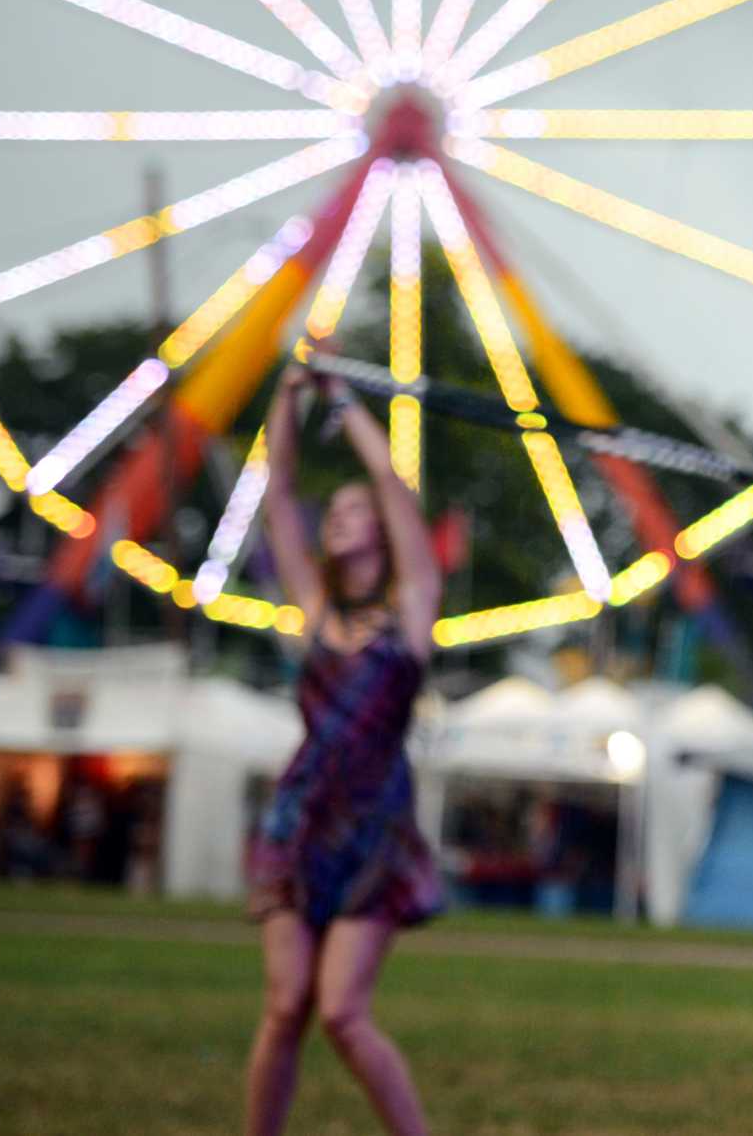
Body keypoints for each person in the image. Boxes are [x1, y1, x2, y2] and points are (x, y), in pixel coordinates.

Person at [244, 348, 445, 1136]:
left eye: (356, 510)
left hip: (372, 825)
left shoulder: (412, 611)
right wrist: (288, 394)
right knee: (284, 1003)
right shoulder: (314, 607)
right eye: (339, 512)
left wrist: (347, 400)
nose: (341, 516)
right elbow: (279, 490)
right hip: (300, 817)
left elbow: (398, 492)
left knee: (341, 1012)